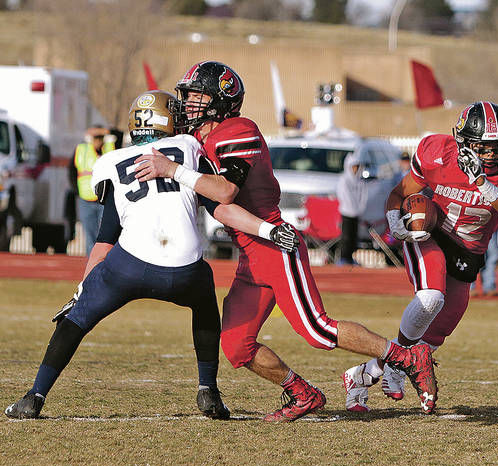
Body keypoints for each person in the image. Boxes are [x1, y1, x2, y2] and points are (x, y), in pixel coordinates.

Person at [133, 61, 439, 421]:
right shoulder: (200, 141)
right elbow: (219, 207)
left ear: (220, 100)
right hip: (252, 251)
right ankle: (301, 393)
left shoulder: (238, 130)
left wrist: (173, 170)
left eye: (197, 96)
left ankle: (406, 356)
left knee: (317, 329)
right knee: (235, 345)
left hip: (276, 245)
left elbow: (227, 191)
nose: (188, 104)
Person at [4, 90, 297, 419]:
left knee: (74, 321)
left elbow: (104, 241)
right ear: (169, 119)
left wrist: (82, 291)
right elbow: (224, 210)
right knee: (204, 299)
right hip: (186, 269)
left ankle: (35, 396)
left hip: (128, 265)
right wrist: (268, 229)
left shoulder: (112, 162)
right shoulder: (189, 148)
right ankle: (208, 391)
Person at [342, 101, 498, 412]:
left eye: (497, 147)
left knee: (432, 338)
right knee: (432, 297)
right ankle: (394, 369)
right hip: (429, 236)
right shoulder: (438, 154)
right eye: (483, 148)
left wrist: (482, 183)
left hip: (468, 252)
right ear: (464, 143)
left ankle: (361, 376)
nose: (491, 154)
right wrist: (396, 223)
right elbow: (399, 193)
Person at [69, 125, 116, 254]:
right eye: (95, 137)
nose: (98, 140)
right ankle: (91, 267)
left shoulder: (111, 149)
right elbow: (72, 171)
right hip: (86, 200)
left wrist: (104, 131)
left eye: (101, 137)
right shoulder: (82, 150)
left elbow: (117, 132)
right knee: (90, 238)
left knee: (106, 237)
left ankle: (104, 266)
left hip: (105, 201)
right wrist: (77, 191)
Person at [335, 151, 369, 266]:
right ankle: (344, 257)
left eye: (357, 167)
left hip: (357, 213)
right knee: (346, 236)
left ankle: (350, 257)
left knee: (354, 237)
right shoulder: (344, 180)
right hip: (347, 213)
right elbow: (344, 196)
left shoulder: (360, 181)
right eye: (353, 166)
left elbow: (363, 196)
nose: (355, 169)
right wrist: (352, 209)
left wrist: (360, 209)